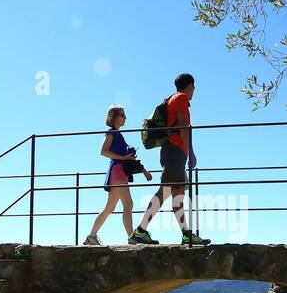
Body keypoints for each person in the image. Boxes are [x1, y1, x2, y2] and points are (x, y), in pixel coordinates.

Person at [129, 73, 211, 246]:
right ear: (190, 85)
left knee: (177, 195)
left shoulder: (174, 99)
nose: (194, 90)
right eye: (194, 86)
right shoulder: (180, 98)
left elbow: (183, 127)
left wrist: (189, 152)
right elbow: (182, 125)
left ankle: (186, 235)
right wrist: (191, 152)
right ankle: (140, 231)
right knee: (165, 191)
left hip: (174, 152)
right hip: (175, 151)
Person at [83, 106, 152, 245]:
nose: (125, 118)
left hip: (119, 172)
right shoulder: (112, 133)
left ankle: (91, 236)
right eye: (122, 115)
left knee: (110, 208)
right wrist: (123, 157)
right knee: (128, 203)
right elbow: (103, 151)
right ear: (114, 116)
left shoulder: (118, 134)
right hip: (118, 171)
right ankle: (132, 237)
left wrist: (142, 169)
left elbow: (122, 157)